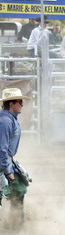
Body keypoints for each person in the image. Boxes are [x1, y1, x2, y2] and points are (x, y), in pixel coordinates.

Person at [0, 88, 32, 224]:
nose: (22, 104)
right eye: (19, 101)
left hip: (6, 161)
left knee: (17, 189)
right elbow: (2, 148)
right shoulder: (6, 121)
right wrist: (6, 170)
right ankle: (16, 226)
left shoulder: (8, 119)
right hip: (3, 162)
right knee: (16, 190)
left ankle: (16, 224)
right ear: (11, 104)